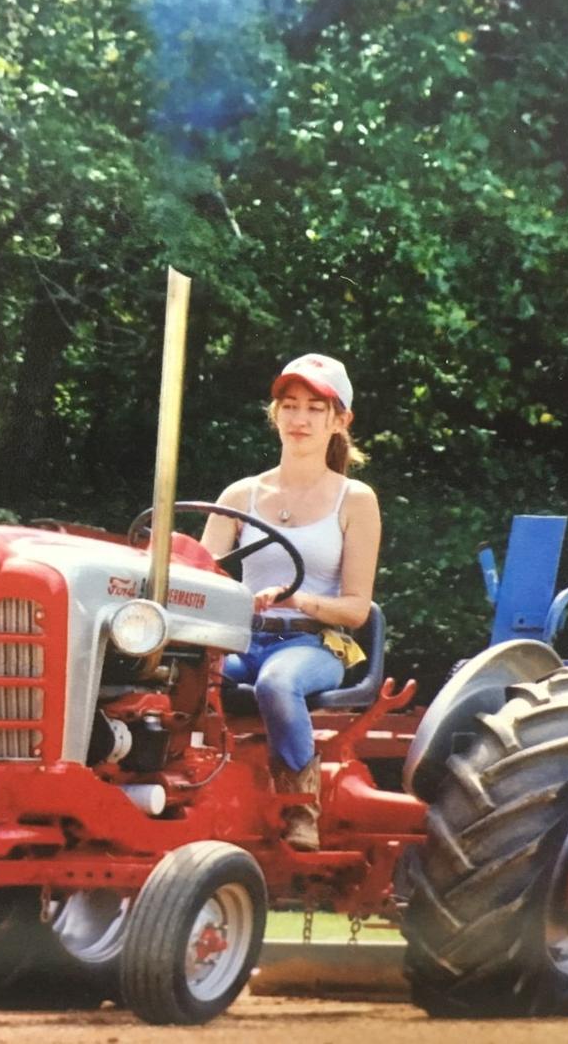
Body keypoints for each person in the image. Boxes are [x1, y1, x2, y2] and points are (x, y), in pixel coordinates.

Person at [200, 353, 381, 851]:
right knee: (184, 677)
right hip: (241, 637)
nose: (299, 419)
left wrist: (297, 598)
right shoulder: (240, 494)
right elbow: (201, 573)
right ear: (275, 414)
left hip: (312, 644)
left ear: (339, 420)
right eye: (290, 405)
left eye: (315, 408)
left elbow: (357, 609)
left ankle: (301, 808)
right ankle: (191, 792)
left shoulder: (355, 499)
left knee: (276, 683)